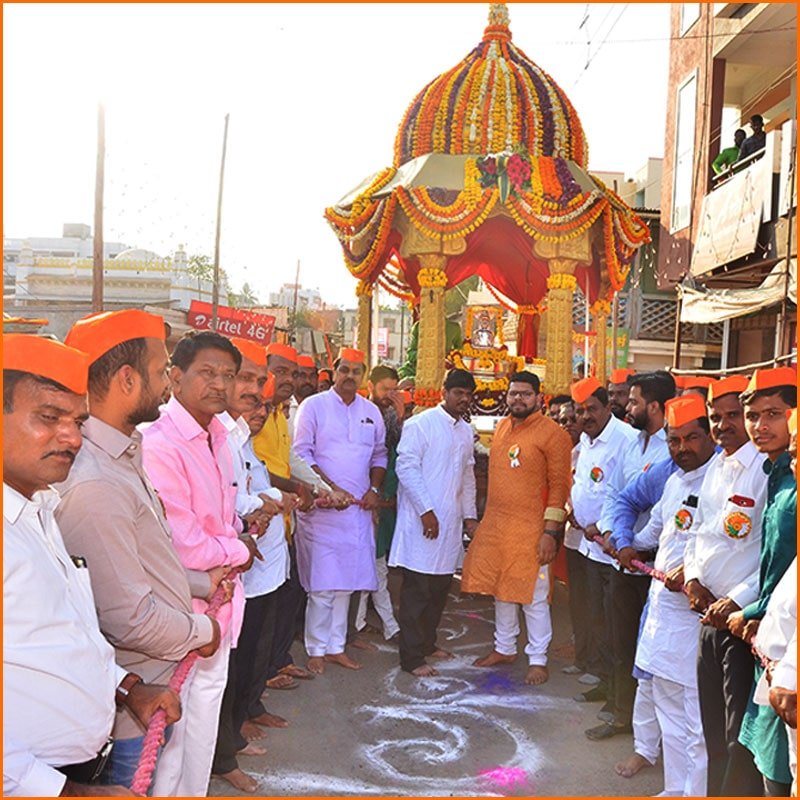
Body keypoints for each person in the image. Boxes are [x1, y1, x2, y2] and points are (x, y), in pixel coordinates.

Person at [3, 334, 180, 797]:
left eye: (78, 420)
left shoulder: (37, 507)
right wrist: (67, 793)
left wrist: (127, 688)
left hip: (76, 768)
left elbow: (70, 634)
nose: (72, 437)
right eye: (48, 417)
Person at [55, 310, 222, 792]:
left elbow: (142, 559)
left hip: (150, 692)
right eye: (160, 369)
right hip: (129, 717)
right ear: (128, 380)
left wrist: (198, 583)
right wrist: (203, 628)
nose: (169, 379)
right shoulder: (94, 483)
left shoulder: (124, 455)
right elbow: (128, 617)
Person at [141, 331, 259, 796]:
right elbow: (184, 541)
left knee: (204, 721)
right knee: (170, 731)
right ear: (175, 377)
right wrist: (240, 552)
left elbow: (226, 520)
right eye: (207, 373)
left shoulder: (220, 436)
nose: (219, 385)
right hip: (181, 607)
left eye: (228, 376)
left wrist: (233, 548)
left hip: (221, 604)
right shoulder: (160, 442)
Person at [211, 337, 290, 792]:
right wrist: (265, 502)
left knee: (247, 659)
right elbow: (218, 505)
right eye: (245, 378)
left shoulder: (238, 435)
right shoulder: (211, 434)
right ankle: (224, 754)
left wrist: (266, 503)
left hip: (251, 566)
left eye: (258, 382)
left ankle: (230, 741)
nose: (251, 390)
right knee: (221, 674)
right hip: (218, 574)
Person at [682, 373, 766, 796]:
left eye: (735, 415)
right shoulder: (716, 463)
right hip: (706, 617)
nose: (724, 425)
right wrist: (694, 576)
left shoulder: (768, 470)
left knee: (738, 737)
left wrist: (735, 600)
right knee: (711, 729)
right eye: (717, 417)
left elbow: (777, 555)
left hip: (740, 625)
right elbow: (699, 531)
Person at [632, 394, 718, 797]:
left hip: (693, 615)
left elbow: (731, 547)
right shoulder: (674, 480)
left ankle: (694, 793)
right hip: (662, 612)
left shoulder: (720, 478)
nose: (682, 448)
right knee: (668, 709)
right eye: (674, 440)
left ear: (710, 435)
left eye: (692, 438)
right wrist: (627, 544)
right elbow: (660, 533)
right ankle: (674, 789)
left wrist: (695, 571)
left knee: (695, 719)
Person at [463, 371, 572, 685]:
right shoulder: (501, 429)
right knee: (502, 590)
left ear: (539, 398)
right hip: (499, 525)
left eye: (525, 394)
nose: (518, 399)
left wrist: (550, 532)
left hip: (533, 529)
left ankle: (538, 658)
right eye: (513, 394)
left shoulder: (553, 434)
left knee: (534, 596)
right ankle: (504, 647)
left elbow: (559, 487)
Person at [588, 371, 674, 741]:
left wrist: (632, 542)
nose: (628, 406)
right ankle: (619, 708)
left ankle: (641, 724)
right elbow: (616, 493)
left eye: (635, 401)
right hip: (621, 556)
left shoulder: (673, 448)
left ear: (654, 406)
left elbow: (658, 510)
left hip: (655, 562)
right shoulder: (631, 442)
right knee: (620, 638)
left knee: (648, 648)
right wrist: (612, 533)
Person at [293, 347, 388, 674]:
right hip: (322, 511)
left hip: (356, 513)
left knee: (346, 584)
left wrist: (374, 490)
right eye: (344, 370)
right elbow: (301, 455)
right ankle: (315, 648)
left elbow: (379, 455)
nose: (350, 376)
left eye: (356, 371)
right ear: (334, 371)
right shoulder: (313, 407)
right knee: (322, 586)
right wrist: (330, 489)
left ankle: (336, 647)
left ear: (363, 375)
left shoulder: (371, 411)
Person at [731, 367, 797, 796]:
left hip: (787, 646)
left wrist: (753, 611)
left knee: (779, 765)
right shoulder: (777, 473)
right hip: (771, 630)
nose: (760, 425)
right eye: (753, 415)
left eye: (773, 413)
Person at [253, 342, 334, 690]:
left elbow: (291, 460)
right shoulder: (253, 417)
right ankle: (261, 679)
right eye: (280, 371)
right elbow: (256, 471)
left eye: (295, 373)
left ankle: (277, 662)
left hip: (285, 526)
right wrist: (303, 488)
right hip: (260, 526)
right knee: (262, 615)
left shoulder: (281, 413)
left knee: (287, 600)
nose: (288, 379)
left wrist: (320, 488)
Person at [390, 368, 478, 677]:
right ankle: (411, 658)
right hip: (421, 522)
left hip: (450, 524)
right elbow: (407, 468)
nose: (463, 400)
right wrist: (426, 510)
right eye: (458, 393)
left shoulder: (466, 431)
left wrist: (469, 517)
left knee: (440, 589)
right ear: (444, 392)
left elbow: (467, 476)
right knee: (417, 591)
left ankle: (428, 644)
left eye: (468, 395)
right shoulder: (420, 425)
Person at [568, 377, 638, 709]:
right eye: (580, 411)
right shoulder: (585, 439)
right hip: (587, 545)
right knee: (596, 616)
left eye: (591, 409)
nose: (585, 416)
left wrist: (604, 526)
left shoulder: (625, 439)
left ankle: (617, 695)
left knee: (615, 624)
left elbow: (625, 493)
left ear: (608, 407)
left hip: (613, 547)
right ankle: (602, 679)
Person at [356, 365, 403, 643]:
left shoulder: (392, 416)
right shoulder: (360, 412)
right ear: (371, 386)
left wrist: (400, 417)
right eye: (385, 389)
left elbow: (398, 454)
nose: (389, 395)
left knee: (376, 565)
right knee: (371, 567)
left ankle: (369, 624)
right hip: (364, 501)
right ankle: (377, 625)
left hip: (384, 502)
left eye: (393, 390)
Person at [557, 401, 593, 679]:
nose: (567, 424)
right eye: (562, 420)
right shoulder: (562, 453)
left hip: (593, 541)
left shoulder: (589, 451)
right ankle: (582, 657)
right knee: (577, 602)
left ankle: (594, 663)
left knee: (594, 606)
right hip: (571, 537)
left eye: (572, 418)